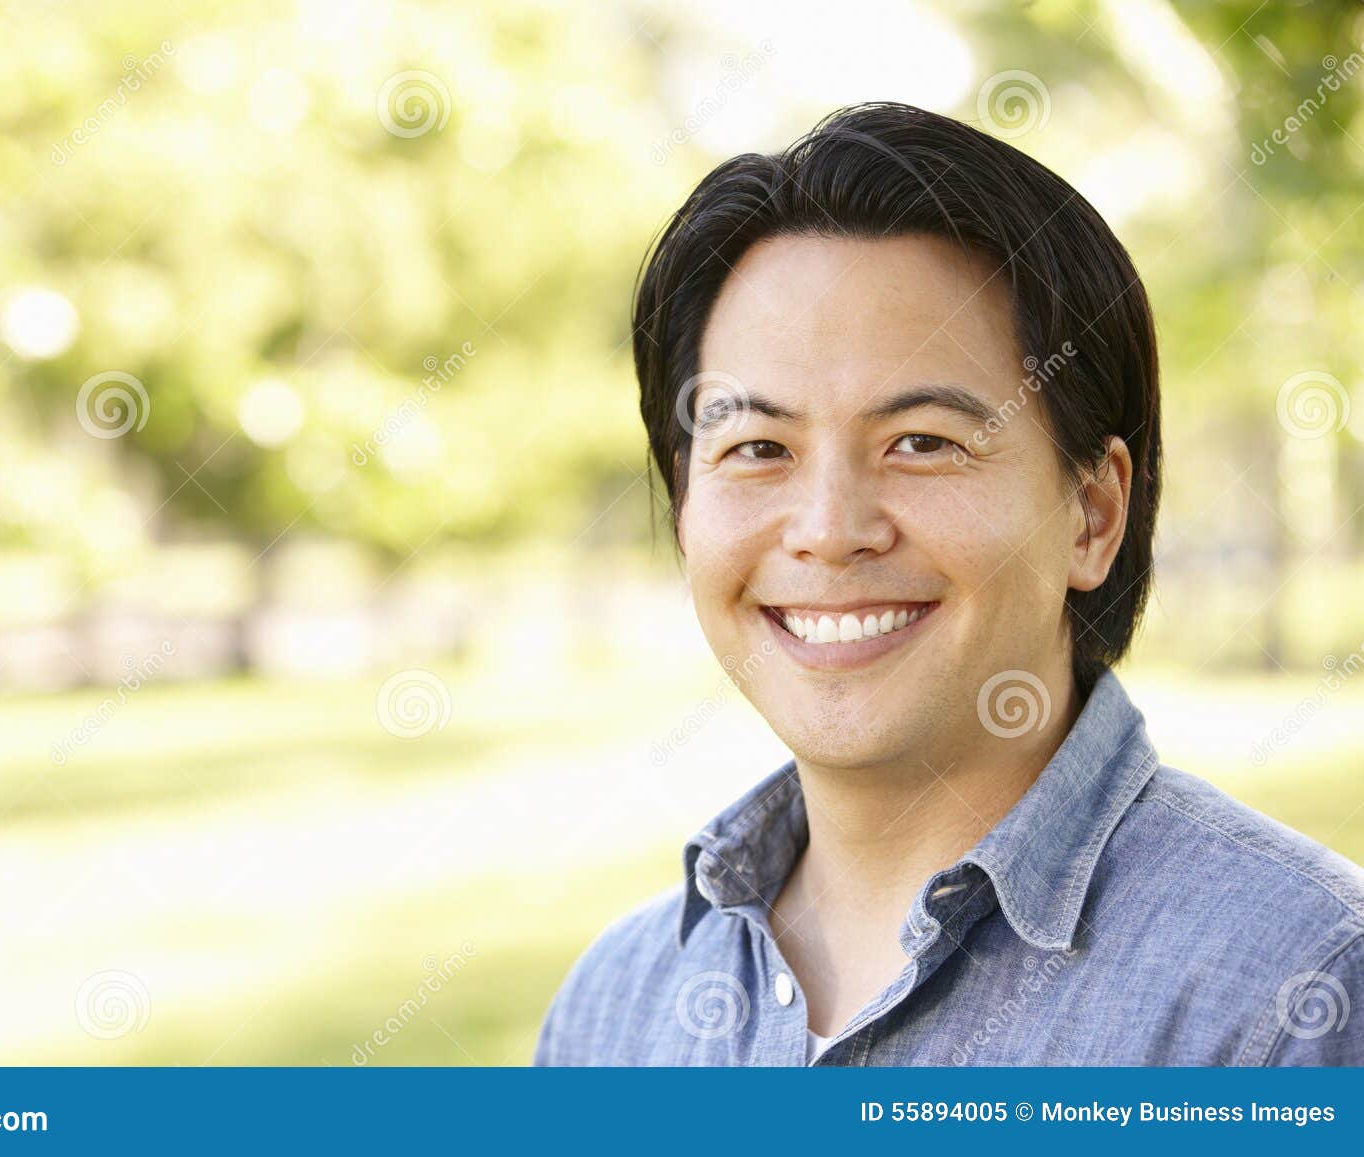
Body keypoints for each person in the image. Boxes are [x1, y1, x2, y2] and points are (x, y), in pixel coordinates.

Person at [534, 102, 1364, 1066]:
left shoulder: (1296, 993)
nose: (830, 531)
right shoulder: (612, 1013)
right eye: (759, 448)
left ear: (1093, 514)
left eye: (922, 442)